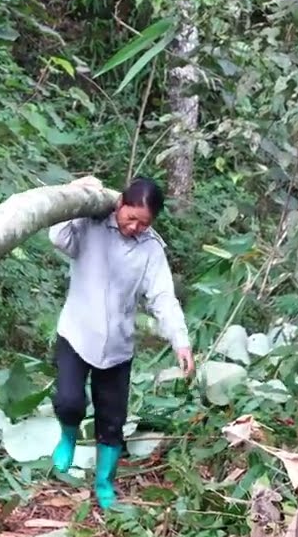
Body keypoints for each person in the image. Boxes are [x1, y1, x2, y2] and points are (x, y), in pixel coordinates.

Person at [47, 176, 194, 509]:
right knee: (69, 400)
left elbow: (163, 298)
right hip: (76, 333)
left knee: (112, 421)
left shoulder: (151, 249)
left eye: (144, 224)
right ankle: (68, 437)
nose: (134, 228)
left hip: (117, 347)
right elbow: (57, 237)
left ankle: (104, 485)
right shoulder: (90, 225)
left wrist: (180, 341)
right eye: (131, 218)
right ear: (120, 204)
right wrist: (74, 193)